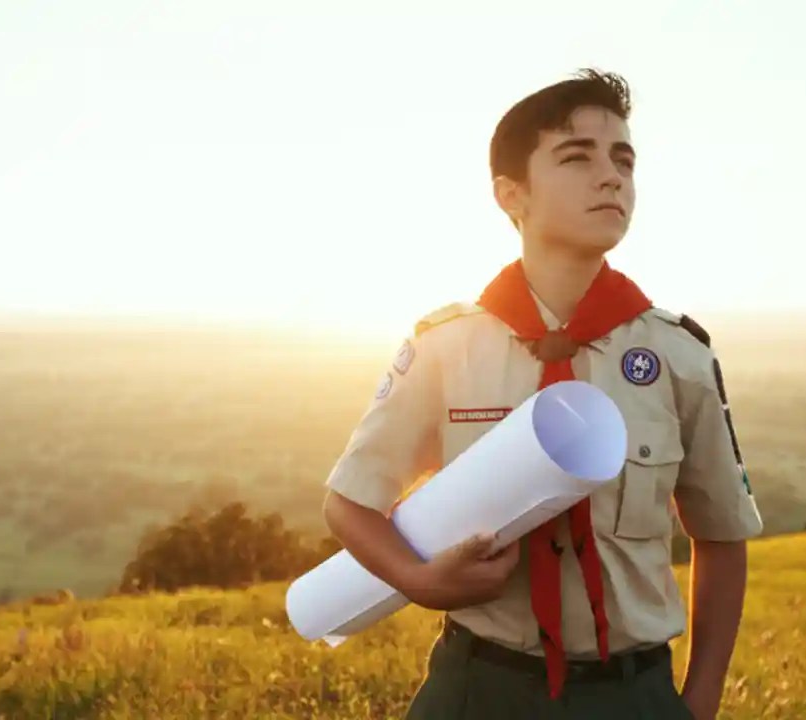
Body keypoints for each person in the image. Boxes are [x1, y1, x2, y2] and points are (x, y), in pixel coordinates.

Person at [320, 68, 763, 720]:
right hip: (477, 688)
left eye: (623, 160)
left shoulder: (677, 355)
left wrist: (698, 704)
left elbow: (721, 535)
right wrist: (418, 581)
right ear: (512, 194)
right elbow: (349, 502)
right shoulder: (447, 347)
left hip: (631, 694)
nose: (611, 177)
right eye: (577, 157)